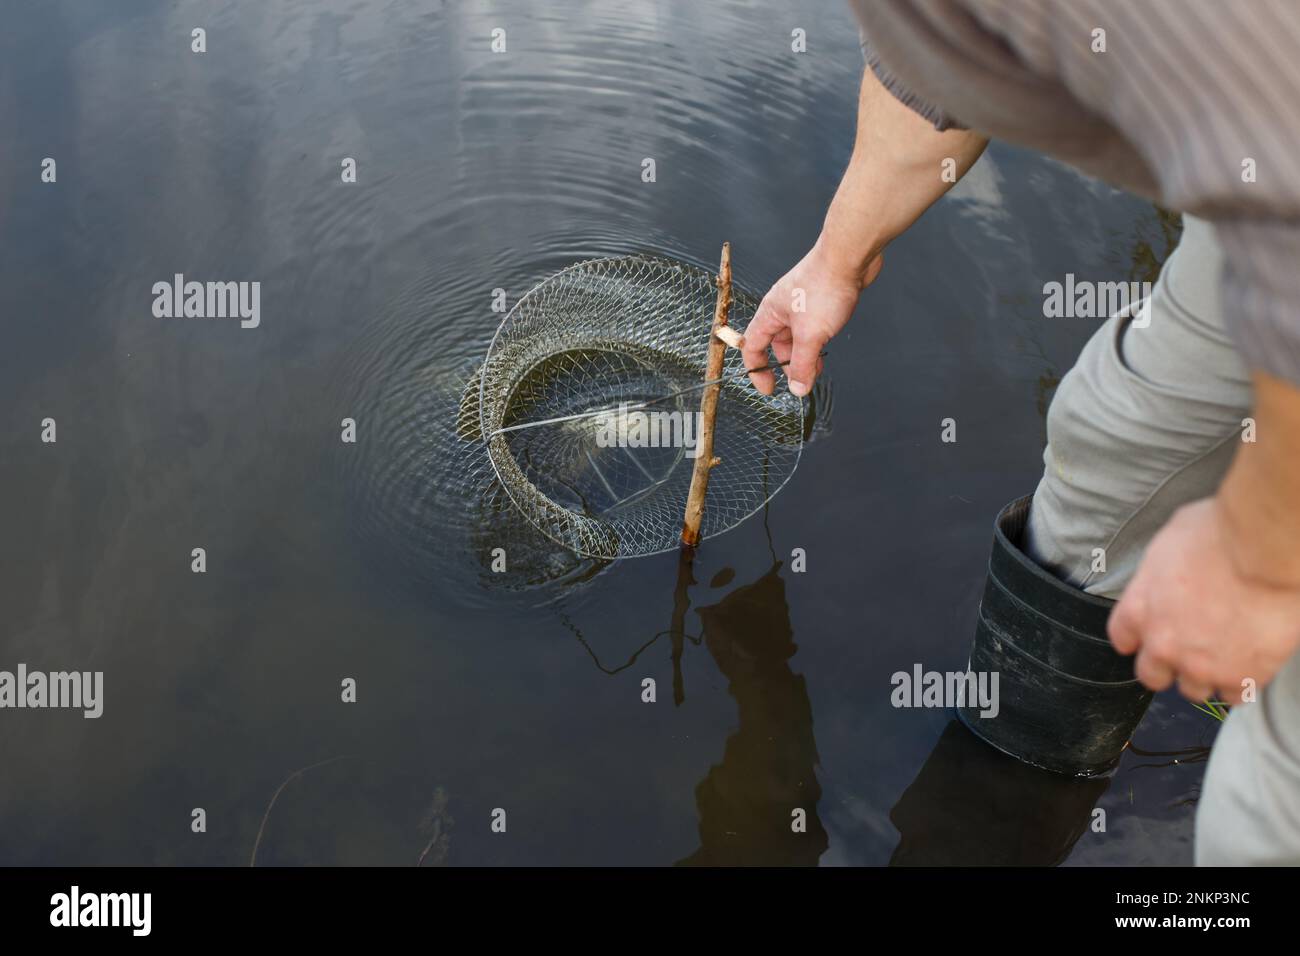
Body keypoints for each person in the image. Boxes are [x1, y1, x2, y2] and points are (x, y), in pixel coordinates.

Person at [742, 0, 1300, 865]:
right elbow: (936, 62)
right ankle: (1002, 811)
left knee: (1263, 811)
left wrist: (1259, 565)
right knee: (1116, 433)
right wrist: (835, 260)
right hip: (1268, 197)